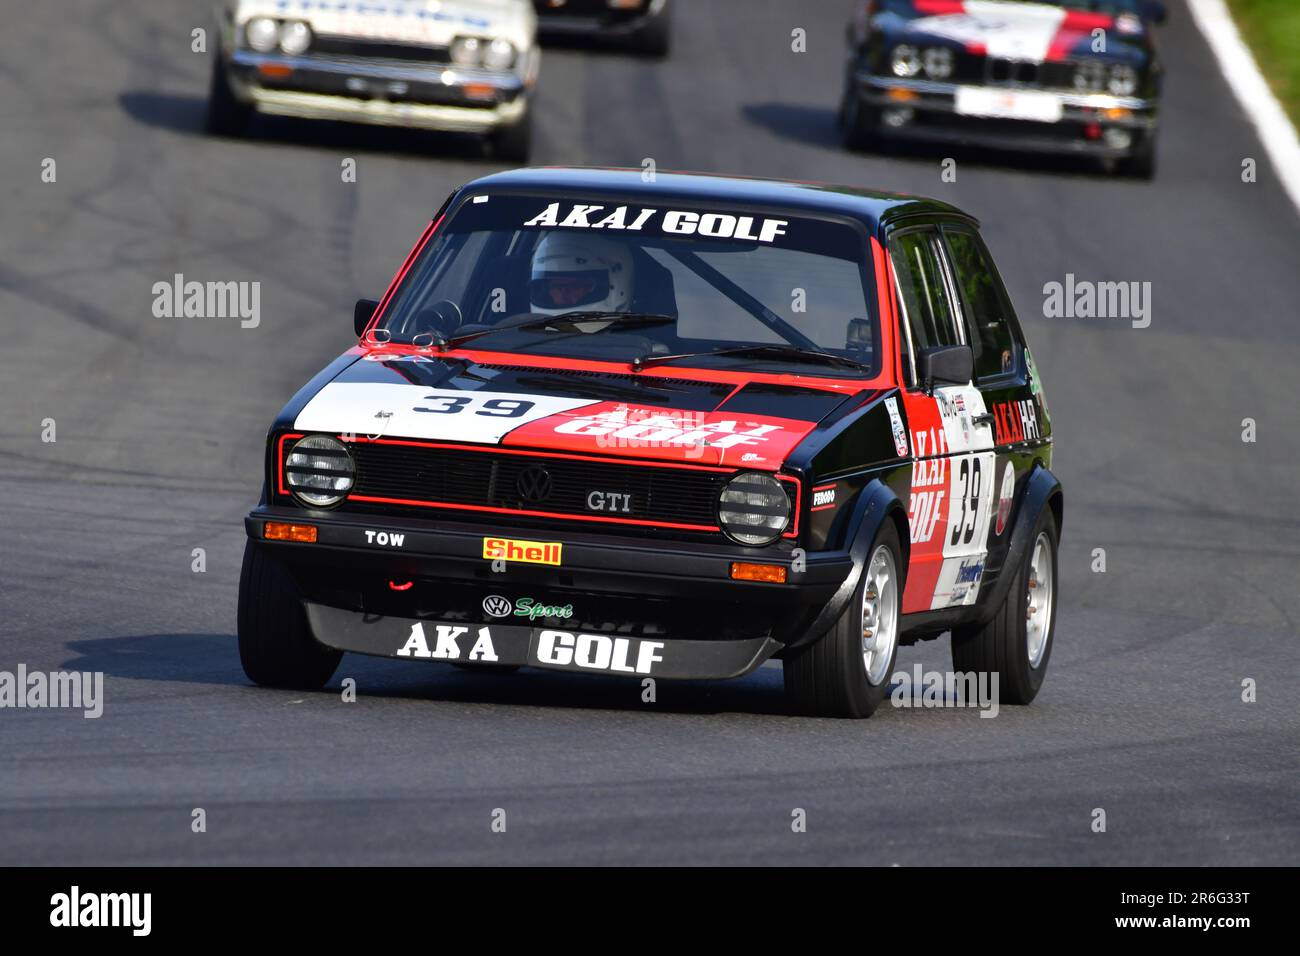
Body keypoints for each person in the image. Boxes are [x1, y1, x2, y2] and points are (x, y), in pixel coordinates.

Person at [528, 233, 636, 315]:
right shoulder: (521, 340)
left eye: (576, 286)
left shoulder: (645, 344)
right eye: (556, 286)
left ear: (619, 287)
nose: (563, 295)